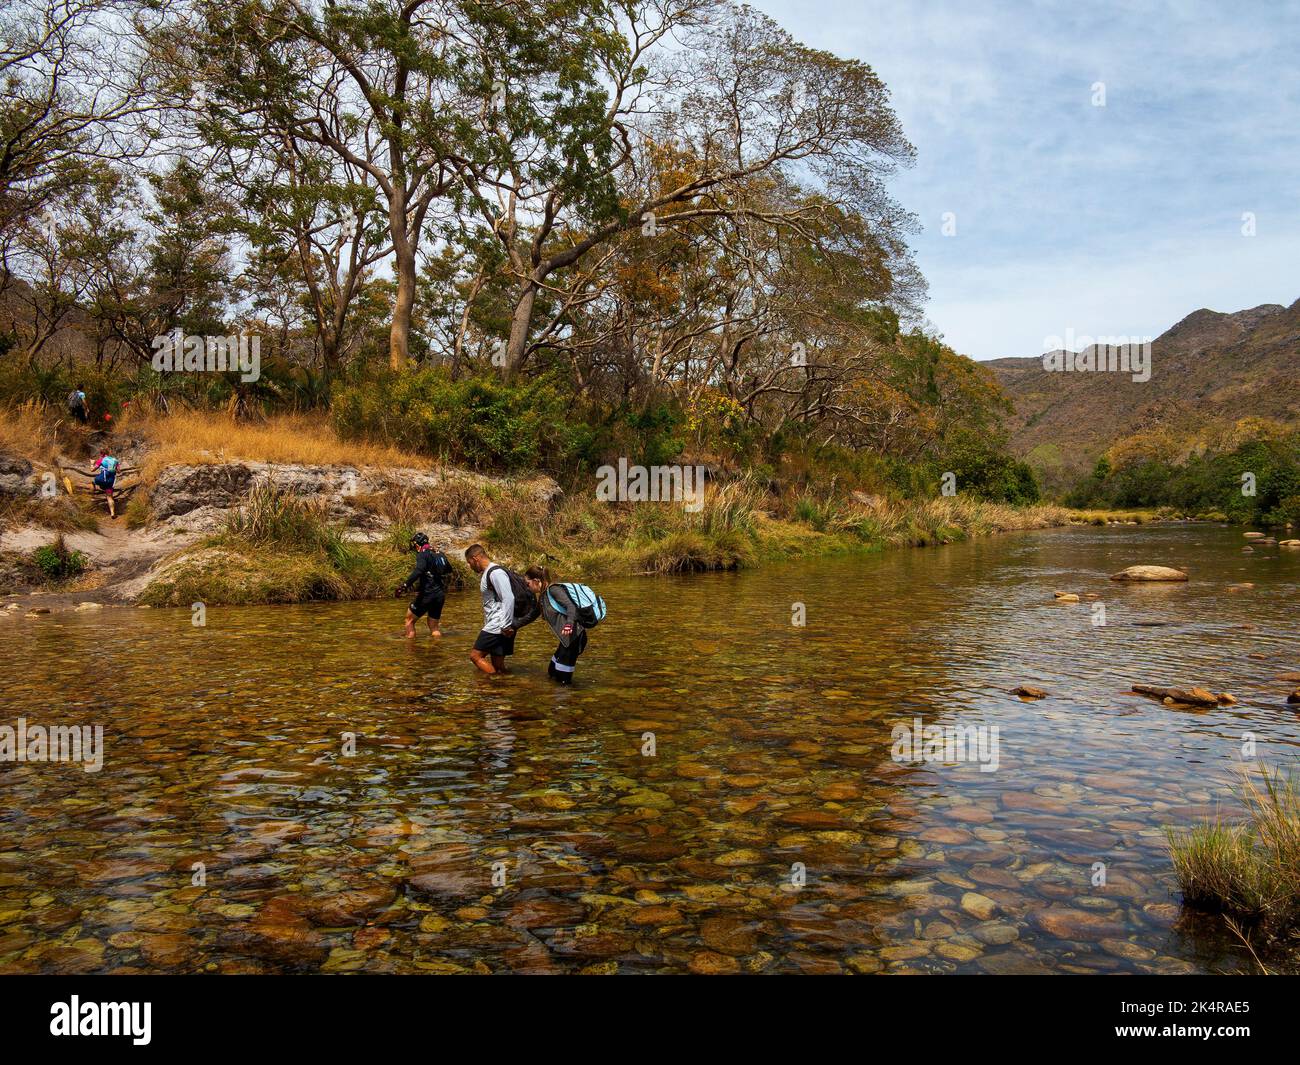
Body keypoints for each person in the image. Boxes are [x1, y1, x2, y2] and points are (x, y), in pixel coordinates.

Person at [464, 544, 537, 675]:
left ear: (475, 558)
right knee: (498, 665)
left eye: (469, 563)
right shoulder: (493, 572)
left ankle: (497, 685)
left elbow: (508, 598)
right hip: (503, 624)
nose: (470, 567)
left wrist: (506, 625)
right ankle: (506, 687)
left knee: (475, 657)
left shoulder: (495, 573)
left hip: (499, 625)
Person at [525, 566, 588, 685]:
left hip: (574, 638)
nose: (526, 587)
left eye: (527, 584)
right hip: (565, 640)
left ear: (536, 581)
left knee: (562, 682)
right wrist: (513, 625)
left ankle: (568, 701)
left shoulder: (553, 590)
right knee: (552, 672)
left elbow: (571, 607)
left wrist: (568, 625)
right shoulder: (543, 596)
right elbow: (532, 616)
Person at [395, 532, 452, 638]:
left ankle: (410, 651)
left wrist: (404, 585)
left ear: (417, 544)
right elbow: (449, 569)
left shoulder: (422, 554)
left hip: (428, 593)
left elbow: (419, 570)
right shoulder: (439, 553)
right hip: (440, 594)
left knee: (409, 621)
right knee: (433, 626)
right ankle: (437, 649)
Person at [91, 448, 118, 516]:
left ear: (101, 454)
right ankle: (112, 512)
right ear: (108, 453)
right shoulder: (115, 460)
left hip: (102, 479)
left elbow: (92, 470)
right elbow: (119, 471)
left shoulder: (101, 460)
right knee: (109, 497)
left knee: (94, 481)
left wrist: (92, 463)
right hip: (111, 480)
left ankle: (93, 492)